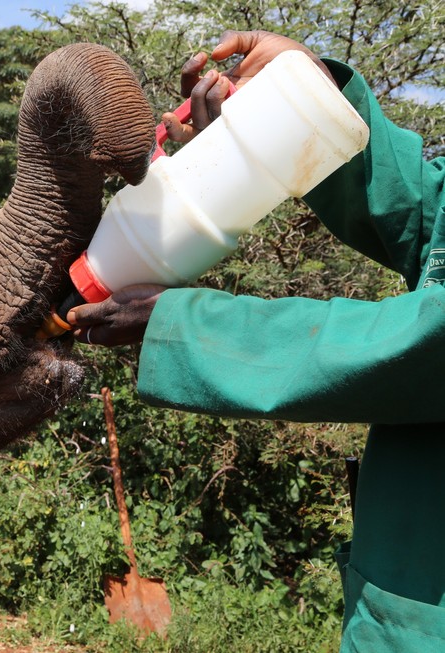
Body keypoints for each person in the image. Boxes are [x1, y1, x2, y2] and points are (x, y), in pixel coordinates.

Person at [67, 30, 445, 651]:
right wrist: (303, 113)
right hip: (398, 599)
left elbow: (430, 344)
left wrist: (184, 324)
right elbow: (427, 218)